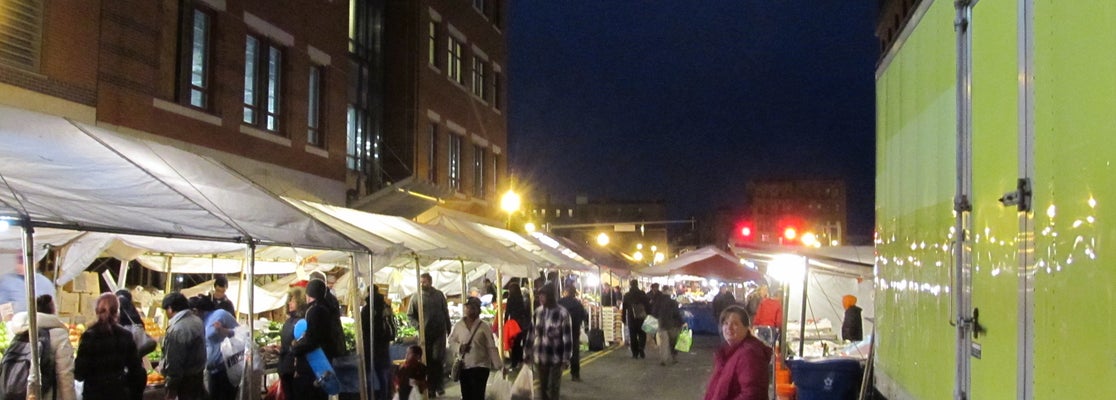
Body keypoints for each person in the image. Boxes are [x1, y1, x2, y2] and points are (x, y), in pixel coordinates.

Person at [74, 293, 145, 400]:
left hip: (94, 394)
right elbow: (135, 370)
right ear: (117, 311)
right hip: (118, 392)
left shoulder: (89, 336)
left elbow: (79, 373)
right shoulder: (125, 335)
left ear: (97, 311)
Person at [8, 295, 77, 400]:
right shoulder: (59, 335)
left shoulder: (18, 331)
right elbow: (65, 375)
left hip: (17, 392)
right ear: (53, 311)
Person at [293, 278, 346, 400]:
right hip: (326, 359)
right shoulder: (328, 307)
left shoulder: (314, 311)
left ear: (309, 294)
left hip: (314, 365)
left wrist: (296, 347)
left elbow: (312, 339)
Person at [704, 305, 772, 400]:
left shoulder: (750, 354)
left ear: (746, 327)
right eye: (725, 323)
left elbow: (753, 394)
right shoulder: (730, 351)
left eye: (735, 324)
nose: (729, 327)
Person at [448, 297, 502, 400]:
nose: (471, 310)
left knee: (478, 395)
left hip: (481, 366)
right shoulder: (459, 326)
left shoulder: (484, 327)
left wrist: (499, 365)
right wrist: (459, 347)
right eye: (469, 307)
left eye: (474, 308)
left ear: (478, 310)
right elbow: (451, 341)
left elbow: (491, 346)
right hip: (464, 366)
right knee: (466, 395)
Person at [525, 283, 572, 400]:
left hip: (555, 358)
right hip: (540, 357)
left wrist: (566, 359)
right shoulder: (538, 312)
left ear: (550, 296)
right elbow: (531, 334)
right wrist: (527, 353)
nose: (540, 298)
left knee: (553, 388)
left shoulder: (562, 313)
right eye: (539, 295)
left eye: (543, 295)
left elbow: (567, 339)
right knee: (542, 389)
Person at [407, 273, 451, 397]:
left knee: (438, 359)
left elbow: (445, 311)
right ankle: (430, 388)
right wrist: (418, 327)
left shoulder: (439, 295)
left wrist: (448, 328)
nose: (422, 284)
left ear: (430, 282)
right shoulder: (415, 297)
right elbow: (410, 315)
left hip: (439, 333)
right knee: (428, 361)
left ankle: (439, 385)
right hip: (425, 334)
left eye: (424, 282)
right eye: (420, 282)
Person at [160, 292, 207, 400]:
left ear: (170, 309)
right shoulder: (197, 321)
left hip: (184, 382)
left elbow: (174, 362)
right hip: (198, 376)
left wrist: (171, 388)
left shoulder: (178, 329)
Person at [192, 295, 239, 400]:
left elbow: (241, 333)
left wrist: (224, 331)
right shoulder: (199, 322)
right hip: (211, 370)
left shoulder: (220, 314)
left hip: (226, 368)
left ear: (195, 311)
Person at [279, 287, 313, 400]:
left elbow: (301, 346)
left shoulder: (302, 321)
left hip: (295, 370)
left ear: (300, 301)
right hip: (284, 367)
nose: (290, 303)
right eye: (290, 300)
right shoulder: (288, 321)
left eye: (293, 300)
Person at [362, 287, 396, 400]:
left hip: (369, 345)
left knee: (369, 376)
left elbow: (363, 328)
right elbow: (393, 326)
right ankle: (385, 397)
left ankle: (370, 397)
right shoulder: (386, 307)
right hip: (383, 346)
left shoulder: (366, 309)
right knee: (384, 375)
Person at [556, 286, 587, 381]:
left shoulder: (559, 303)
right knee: (574, 353)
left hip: (560, 332)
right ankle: (575, 375)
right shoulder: (578, 304)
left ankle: (557, 374)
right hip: (574, 331)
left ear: (565, 292)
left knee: (559, 352)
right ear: (574, 293)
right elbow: (584, 316)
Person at [652, 286, 684, 366]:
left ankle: (663, 359)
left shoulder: (658, 302)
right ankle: (674, 357)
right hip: (673, 325)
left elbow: (654, 313)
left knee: (663, 343)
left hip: (662, 324)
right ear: (669, 292)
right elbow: (677, 314)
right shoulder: (673, 302)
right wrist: (681, 323)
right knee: (673, 342)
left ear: (662, 291)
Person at [621, 279, 651, 358]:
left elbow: (624, 308)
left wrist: (623, 318)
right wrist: (648, 315)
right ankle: (641, 347)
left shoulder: (627, 295)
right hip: (641, 317)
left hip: (631, 318)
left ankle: (635, 353)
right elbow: (647, 305)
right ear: (637, 284)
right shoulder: (642, 294)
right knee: (642, 334)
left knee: (633, 335)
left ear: (630, 285)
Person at [504, 281, 531, 370]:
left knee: (513, 344)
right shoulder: (522, 299)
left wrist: (505, 323)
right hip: (521, 323)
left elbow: (507, 312)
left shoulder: (510, 299)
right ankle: (520, 360)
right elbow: (525, 312)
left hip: (513, 323)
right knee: (519, 342)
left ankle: (514, 362)